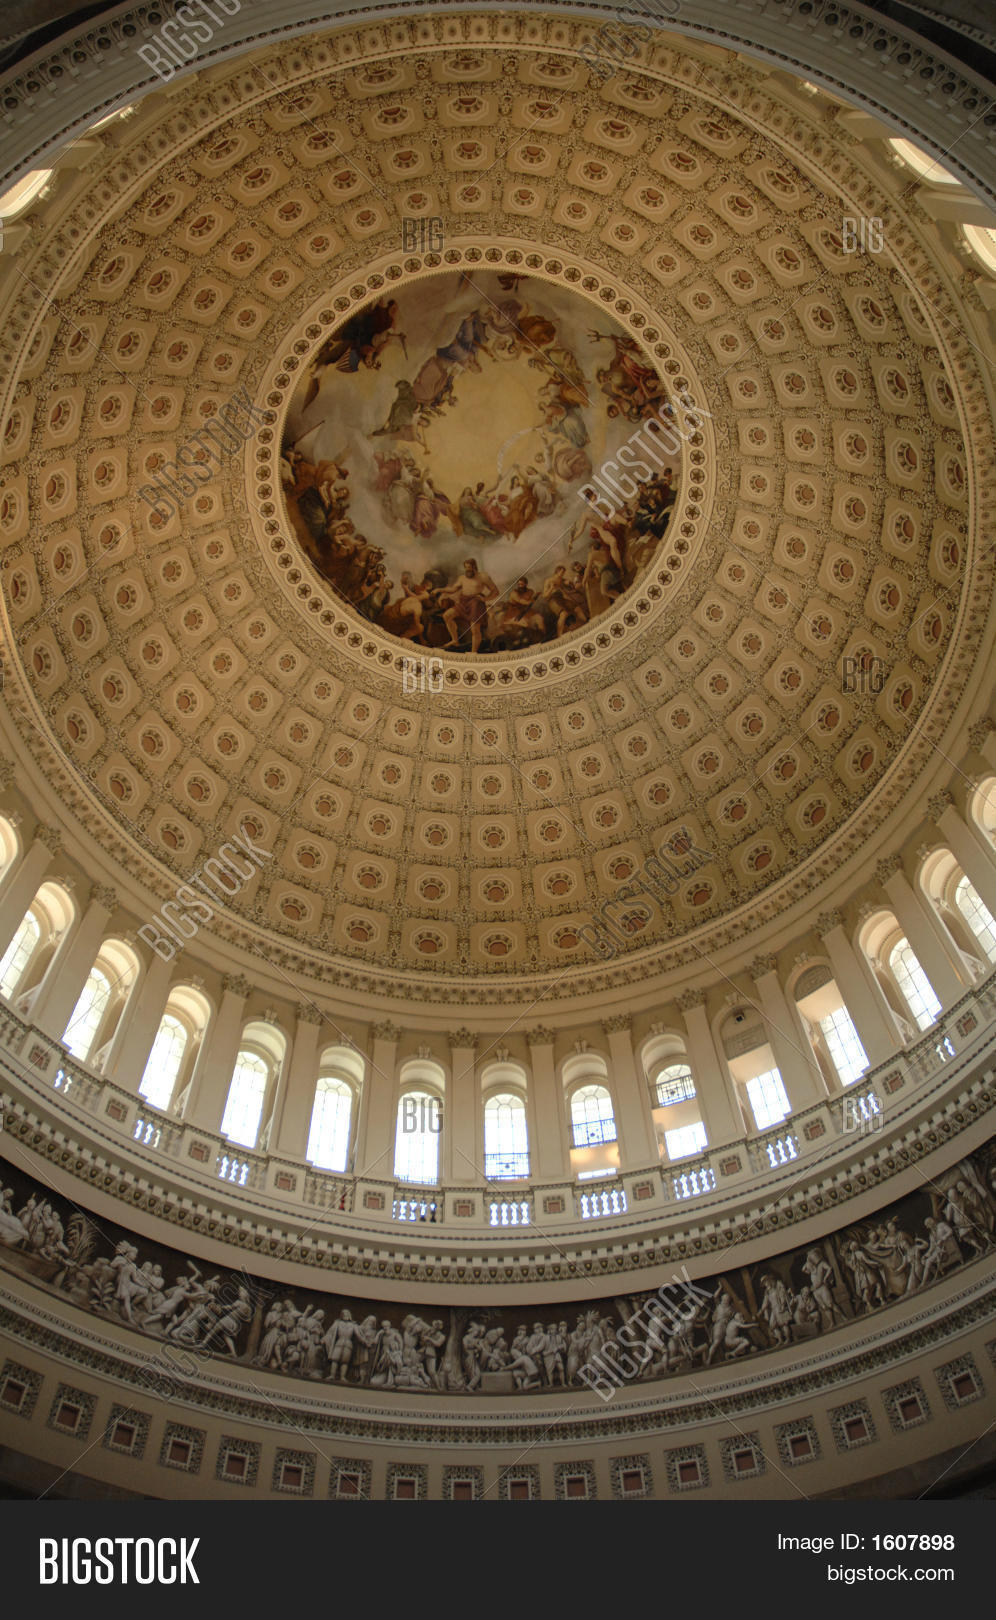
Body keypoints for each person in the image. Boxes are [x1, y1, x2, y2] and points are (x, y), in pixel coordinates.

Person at [441, 559, 499, 653]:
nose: (467, 569)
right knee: (447, 616)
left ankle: (473, 652)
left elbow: (496, 591)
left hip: (476, 603)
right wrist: (440, 590)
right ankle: (455, 640)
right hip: (463, 602)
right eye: (466, 567)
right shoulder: (462, 578)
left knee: (475, 629)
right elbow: (452, 590)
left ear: (474, 567)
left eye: (469, 567)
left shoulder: (483, 577)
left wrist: (485, 599)